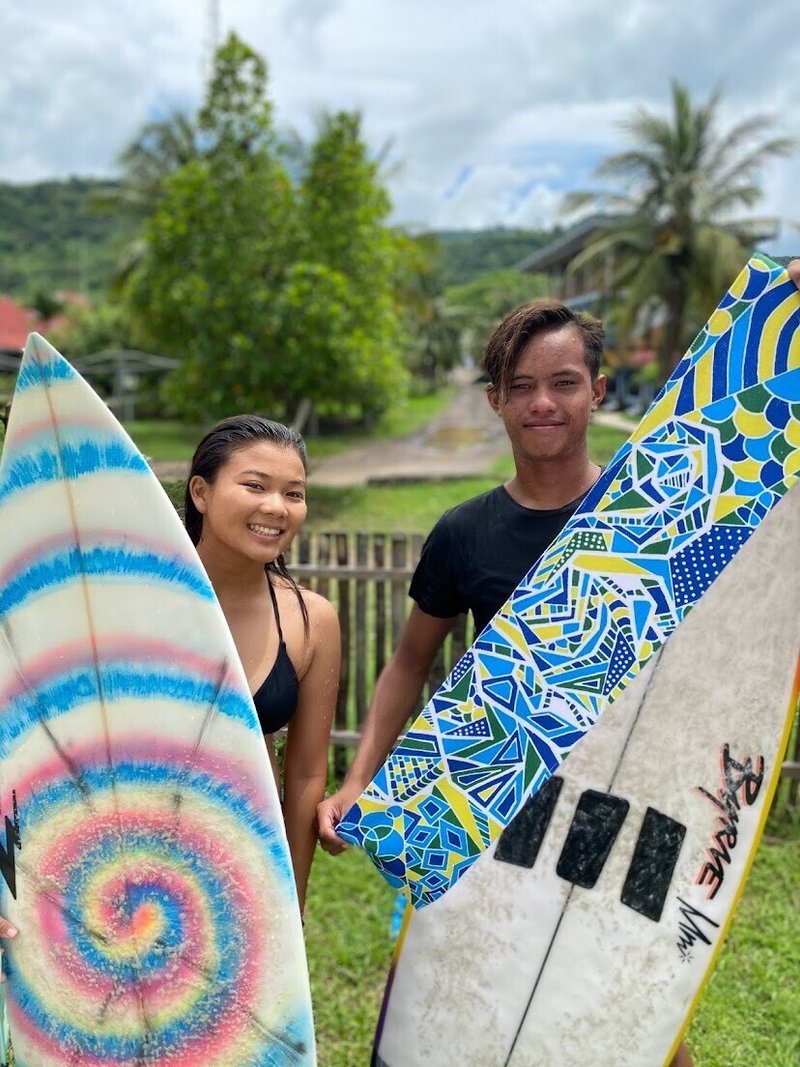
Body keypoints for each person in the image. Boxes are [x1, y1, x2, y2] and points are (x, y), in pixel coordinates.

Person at [316, 296, 703, 1067]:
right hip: (491, 800)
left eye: (563, 381)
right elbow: (408, 666)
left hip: (627, 796)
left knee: (635, 1004)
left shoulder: (653, 515)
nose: (543, 403)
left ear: (597, 390)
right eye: (521, 385)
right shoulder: (464, 532)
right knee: (453, 992)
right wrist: (359, 777)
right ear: (494, 400)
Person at [185, 414, 340, 912]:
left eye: (293, 493)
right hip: (107, 861)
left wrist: (289, 901)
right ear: (201, 493)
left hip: (240, 873)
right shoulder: (129, 597)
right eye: (255, 485)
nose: (276, 507)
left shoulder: (310, 619)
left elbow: (305, 775)